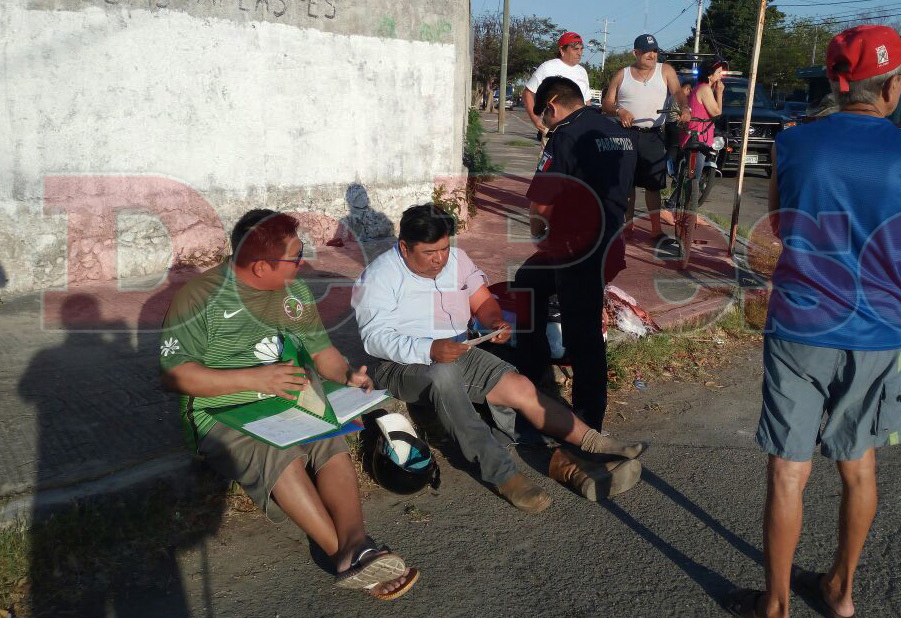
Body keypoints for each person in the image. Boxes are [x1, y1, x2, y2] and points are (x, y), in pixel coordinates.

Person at [724, 25, 901, 618]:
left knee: (787, 470)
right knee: (858, 465)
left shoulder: (792, 145)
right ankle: (840, 594)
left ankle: (775, 604)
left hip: (799, 324)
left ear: (835, 81)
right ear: (893, 85)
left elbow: (778, 227)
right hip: (877, 330)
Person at [159, 209, 418, 600]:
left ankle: (357, 543)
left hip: (288, 400)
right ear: (261, 266)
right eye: (294, 258)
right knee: (276, 455)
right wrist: (255, 379)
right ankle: (345, 555)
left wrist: (347, 374)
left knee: (329, 441)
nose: (303, 264)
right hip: (221, 411)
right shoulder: (199, 298)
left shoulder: (292, 294)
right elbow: (175, 375)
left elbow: (323, 352)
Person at [353, 204, 645, 514]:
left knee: (518, 387)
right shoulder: (379, 277)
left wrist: (494, 322)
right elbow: (375, 339)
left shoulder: (456, 259)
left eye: (443, 248)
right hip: (400, 364)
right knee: (444, 376)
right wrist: (428, 349)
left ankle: (594, 443)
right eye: (429, 252)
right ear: (404, 247)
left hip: (457, 349)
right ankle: (504, 475)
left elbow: (482, 300)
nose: (440, 258)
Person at [514, 75, 638, 431]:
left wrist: (541, 236)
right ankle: (534, 376)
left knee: (582, 335)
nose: (545, 123)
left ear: (551, 106)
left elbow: (539, 204)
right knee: (528, 282)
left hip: (577, 249)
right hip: (610, 242)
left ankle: (587, 423)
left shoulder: (566, 135)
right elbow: (629, 193)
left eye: (543, 116)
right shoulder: (617, 131)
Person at [601, 33, 689, 248]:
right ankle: (626, 227)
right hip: (626, 134)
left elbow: (677, 91)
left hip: (654, 134)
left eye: (655, 51)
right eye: (647, 51)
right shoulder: (622, 75)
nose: (652, 55)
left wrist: (685, 107)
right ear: (636, 53)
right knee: (626, 184)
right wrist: (620, 111)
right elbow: (606, 104)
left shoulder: (665, 70)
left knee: (653, 185)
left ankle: (656, 232)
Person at [522, 31, 591, 142]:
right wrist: (535, 119)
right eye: (575, 49)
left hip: (577, 131)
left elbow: (587, 101)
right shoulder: (548, 67)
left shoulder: (582, 71)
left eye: (581, 49)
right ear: (562, 50)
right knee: (553, 159)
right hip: (554, 129)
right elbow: (527, 93)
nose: (579, 53)